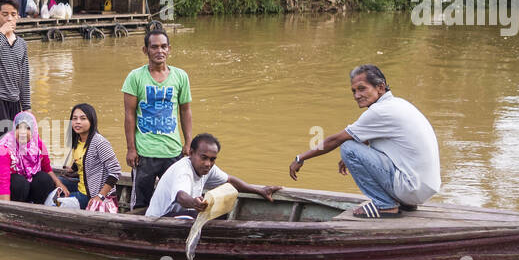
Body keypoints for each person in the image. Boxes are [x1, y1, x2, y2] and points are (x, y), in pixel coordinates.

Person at [288, 64, 440, 218]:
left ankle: (385, 205)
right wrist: (357, 157)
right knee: (353, 148)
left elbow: (336, 139)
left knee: (348, 147)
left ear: (380, 88)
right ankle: (404, 202)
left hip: (410, 187)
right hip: (423, 188)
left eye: (362, 89)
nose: (356, 95)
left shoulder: (379, 111)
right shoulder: (398, 104)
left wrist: (301, 158)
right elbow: (376, 138)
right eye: (354, 91)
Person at [122, 22, 192, 211]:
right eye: (154, 47)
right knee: (140, 202)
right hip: (144, 153)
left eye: (163, 46)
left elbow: (185, 110)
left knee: (177, 198)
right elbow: (129, 115)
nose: (159, 51)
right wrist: (131, 149)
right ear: (145, 50)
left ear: (169, 49)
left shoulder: (180, 76)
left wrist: (188, 143)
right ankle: (139, 231)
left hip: (173, 150)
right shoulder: (135, 77)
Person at [147, 133, 278, 218]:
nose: (208, 164)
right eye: (203, 158)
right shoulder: (183, 170)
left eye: (212, 159)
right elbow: (181, 196)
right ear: (191, 153)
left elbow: (230, 181)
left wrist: (260, 190)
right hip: (159, 219)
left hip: (179, 213)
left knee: (220, 212)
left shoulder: (208, 168)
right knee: (195, 216)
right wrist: (194, 203)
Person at [0, 0, 31, 170]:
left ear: (18, 16)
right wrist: (2, 33)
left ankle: (9, 181)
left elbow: (24, 77)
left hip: (15, 103)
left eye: (13, 14)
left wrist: (27, 107)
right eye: (4, 14)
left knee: (13, 146)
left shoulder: (22, 44)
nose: (9, 18)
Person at [0, 111, 59, 203]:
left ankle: (35, 209)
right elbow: (2, 183)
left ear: (33, 130)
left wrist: (58, 183)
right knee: (19, 183)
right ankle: (13, 212)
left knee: (44, 179)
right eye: (19, 127)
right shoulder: (4, 149)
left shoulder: (38, 144)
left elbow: (47, 169)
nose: (23, 132)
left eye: (27, 128)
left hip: (22, 187)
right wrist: (7, 209)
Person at [58, 102, 121, 209]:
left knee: (56, 203)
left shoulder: (99, 142)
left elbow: (115, 171)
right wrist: (73, 168)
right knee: (53, 181)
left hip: (91, 193)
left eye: (83, 118)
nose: (78, 122)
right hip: (81, 185)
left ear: (91, 121)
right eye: (74, 118)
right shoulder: (77, 140)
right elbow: (82, 158)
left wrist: (100, 196)